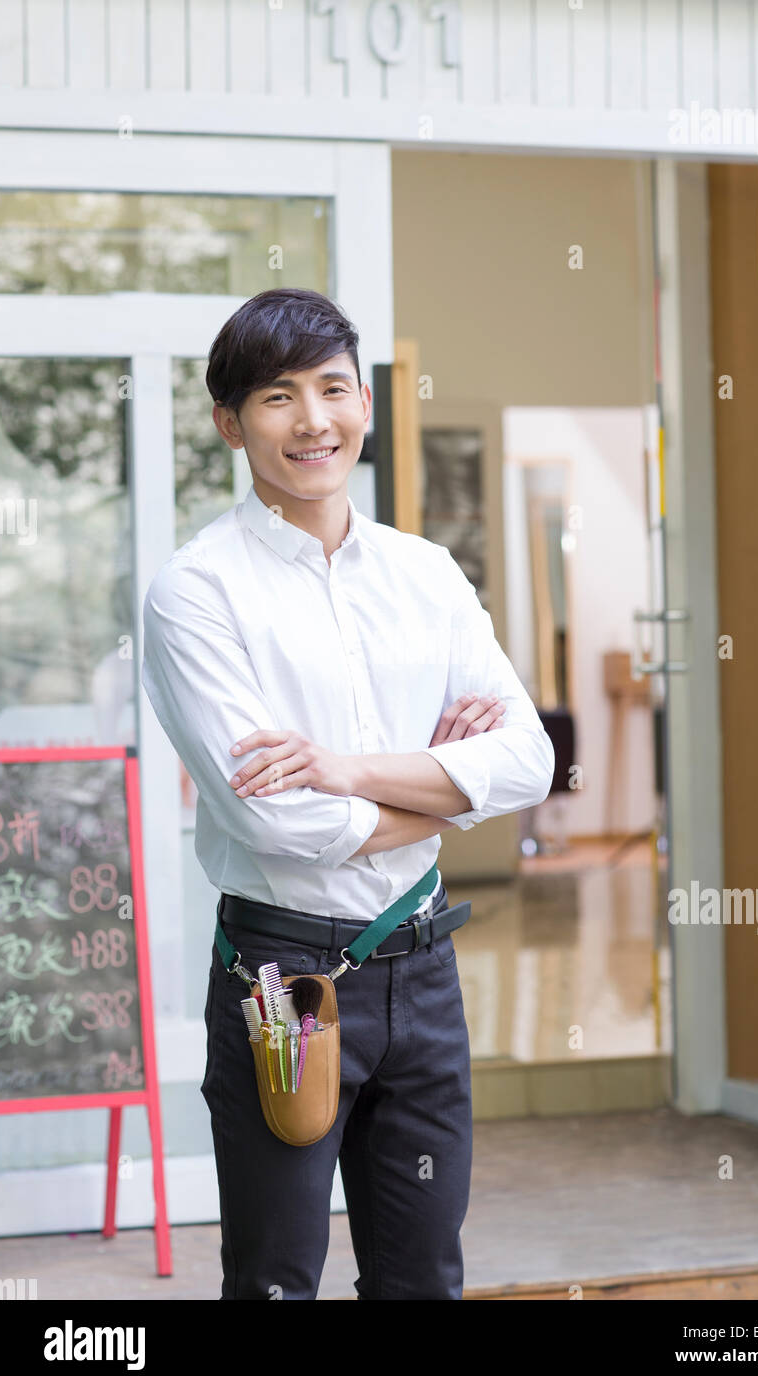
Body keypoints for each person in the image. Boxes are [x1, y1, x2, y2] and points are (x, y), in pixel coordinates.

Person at [141, 287, 555, 1300]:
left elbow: (530, 761)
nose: (312, 419)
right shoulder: (198, 591)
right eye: (278, 397)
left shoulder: (424, 574)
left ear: (364, 405)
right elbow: (282, 819)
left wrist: (348, 766)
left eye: (332, 388)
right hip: (283, 979)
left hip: (421, 972)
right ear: (228, 422)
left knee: (422, 1277)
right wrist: (453, 789)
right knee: (277, 1279)